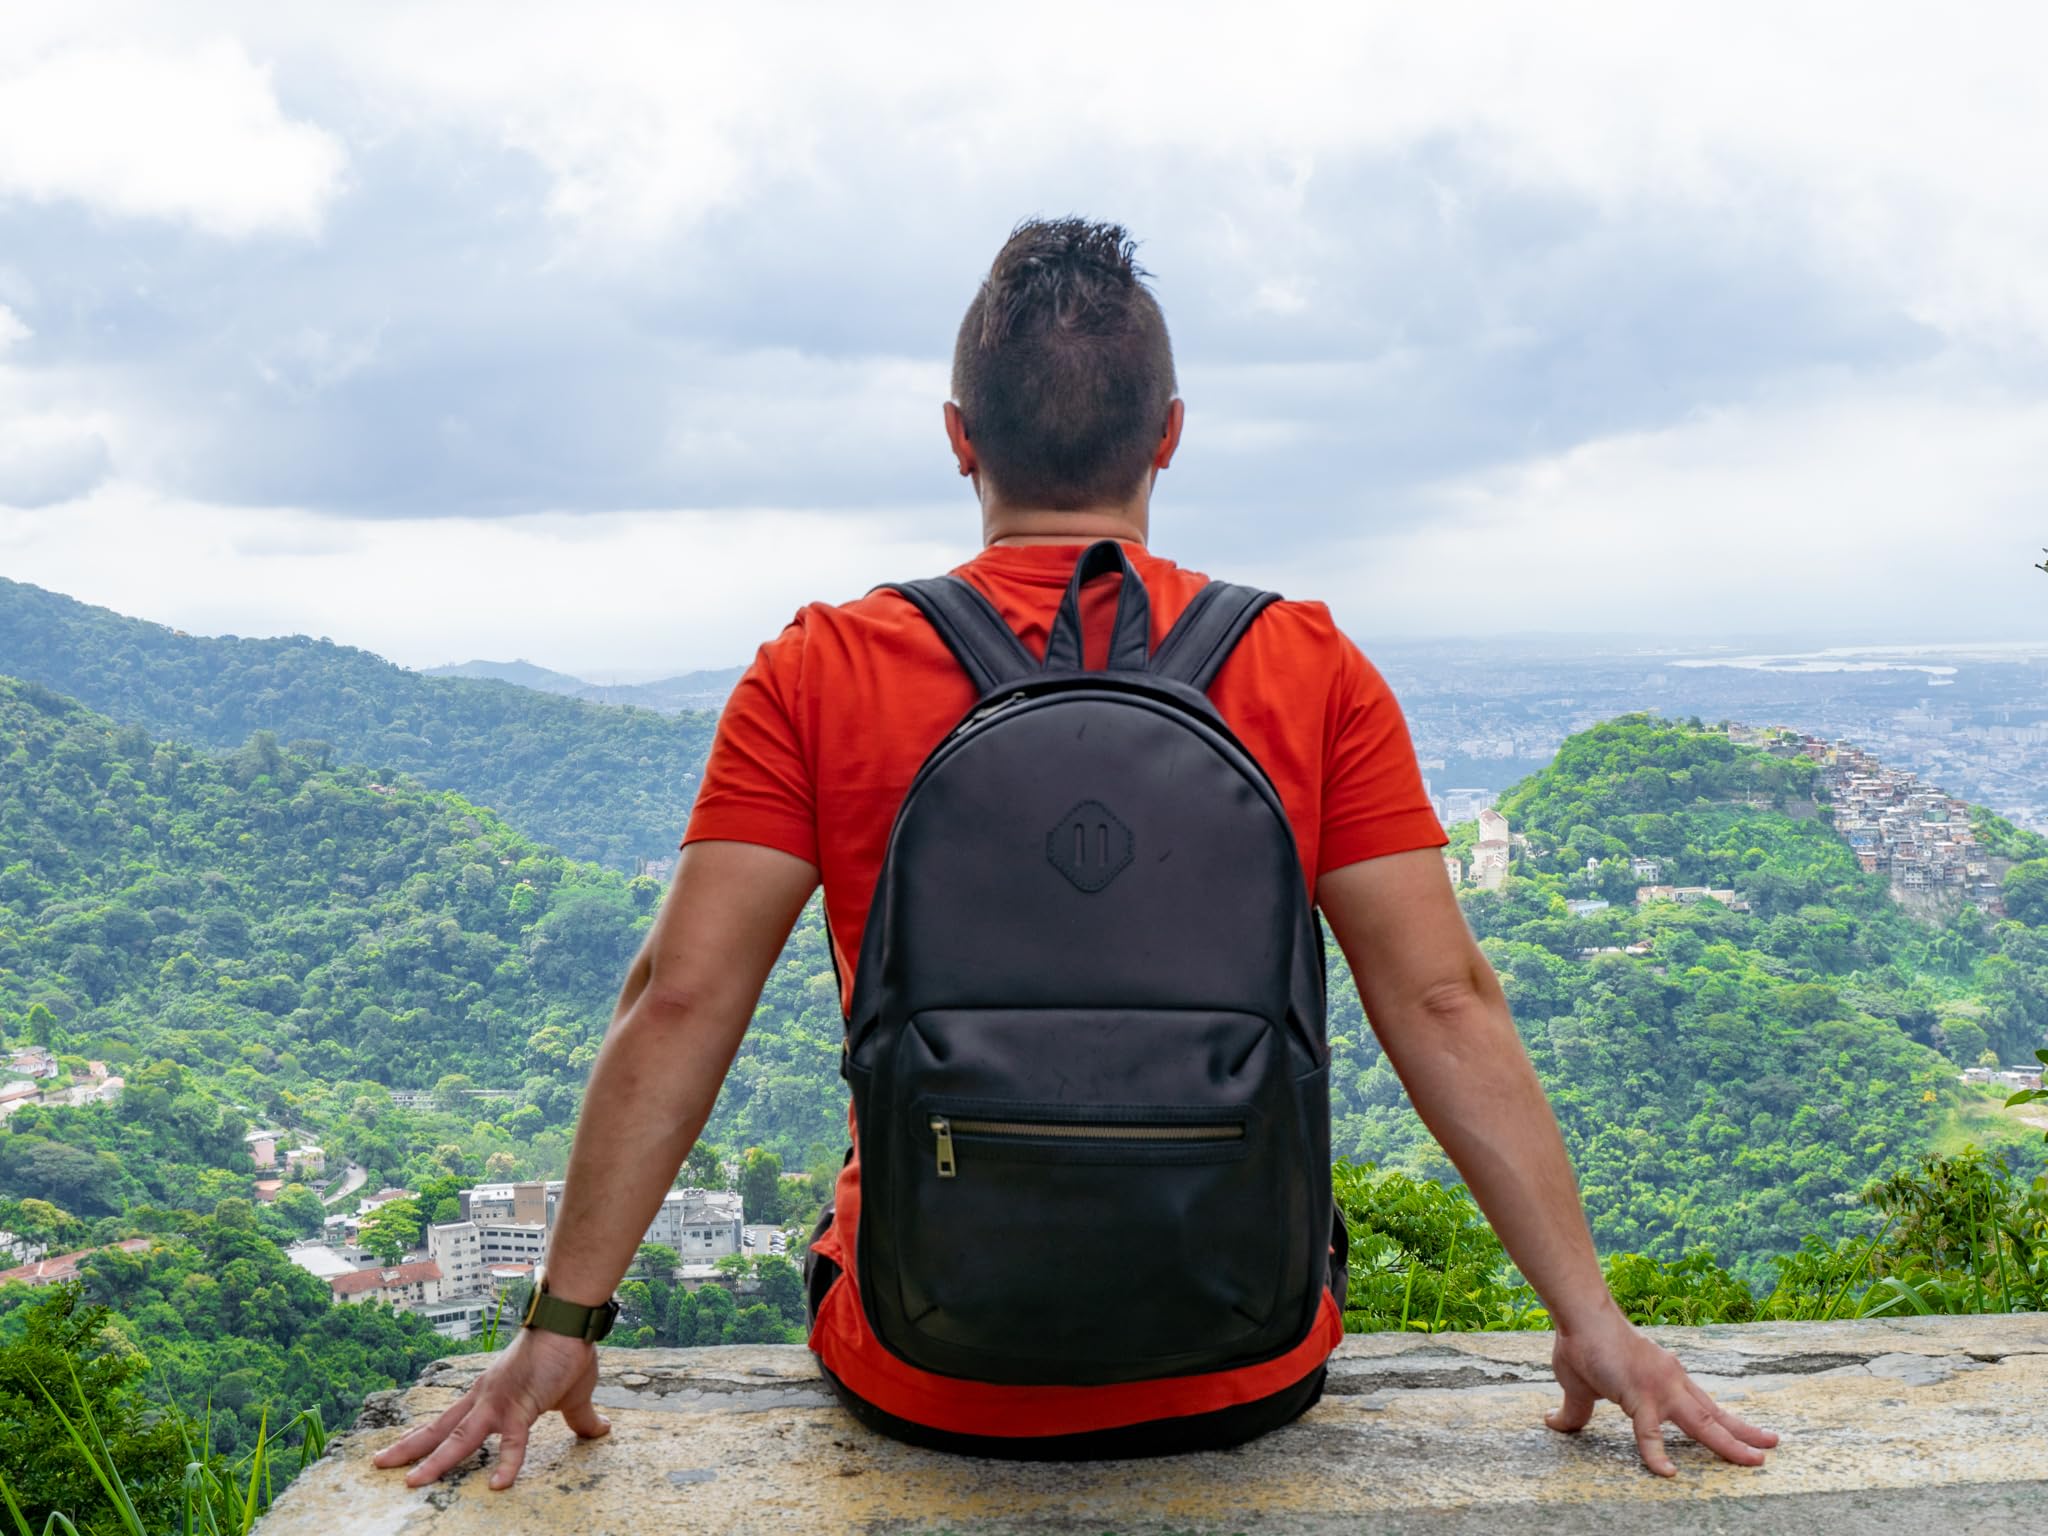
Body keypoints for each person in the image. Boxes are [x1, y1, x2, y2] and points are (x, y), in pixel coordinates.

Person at [376, 217, 1778, 1487]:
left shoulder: (820, 667)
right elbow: (1442, 999)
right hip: (1242, 1370)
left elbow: (678, 1001)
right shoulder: (1302, 666)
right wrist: (1592, 1322)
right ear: (1168, 435)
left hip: (928, 1371)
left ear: (956, 434)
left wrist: (561, 1325)